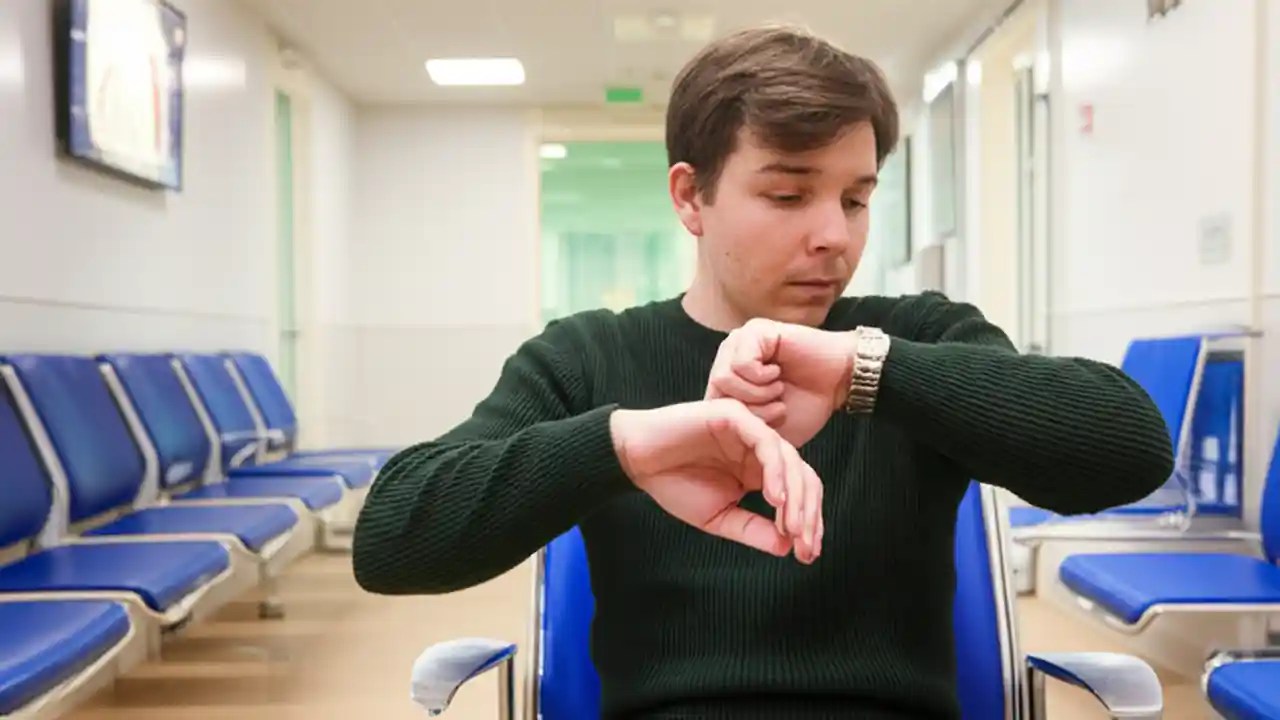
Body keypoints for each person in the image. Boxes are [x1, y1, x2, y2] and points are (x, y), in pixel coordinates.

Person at [352, 24, 1173, 720]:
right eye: (787, 196)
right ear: (691, 196)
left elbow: (1131, 448)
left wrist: (867, 369)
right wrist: (628, 447)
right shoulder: (586, 358)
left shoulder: (912, 336)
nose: (834, 237)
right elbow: (393, 538)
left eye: (855, 200)